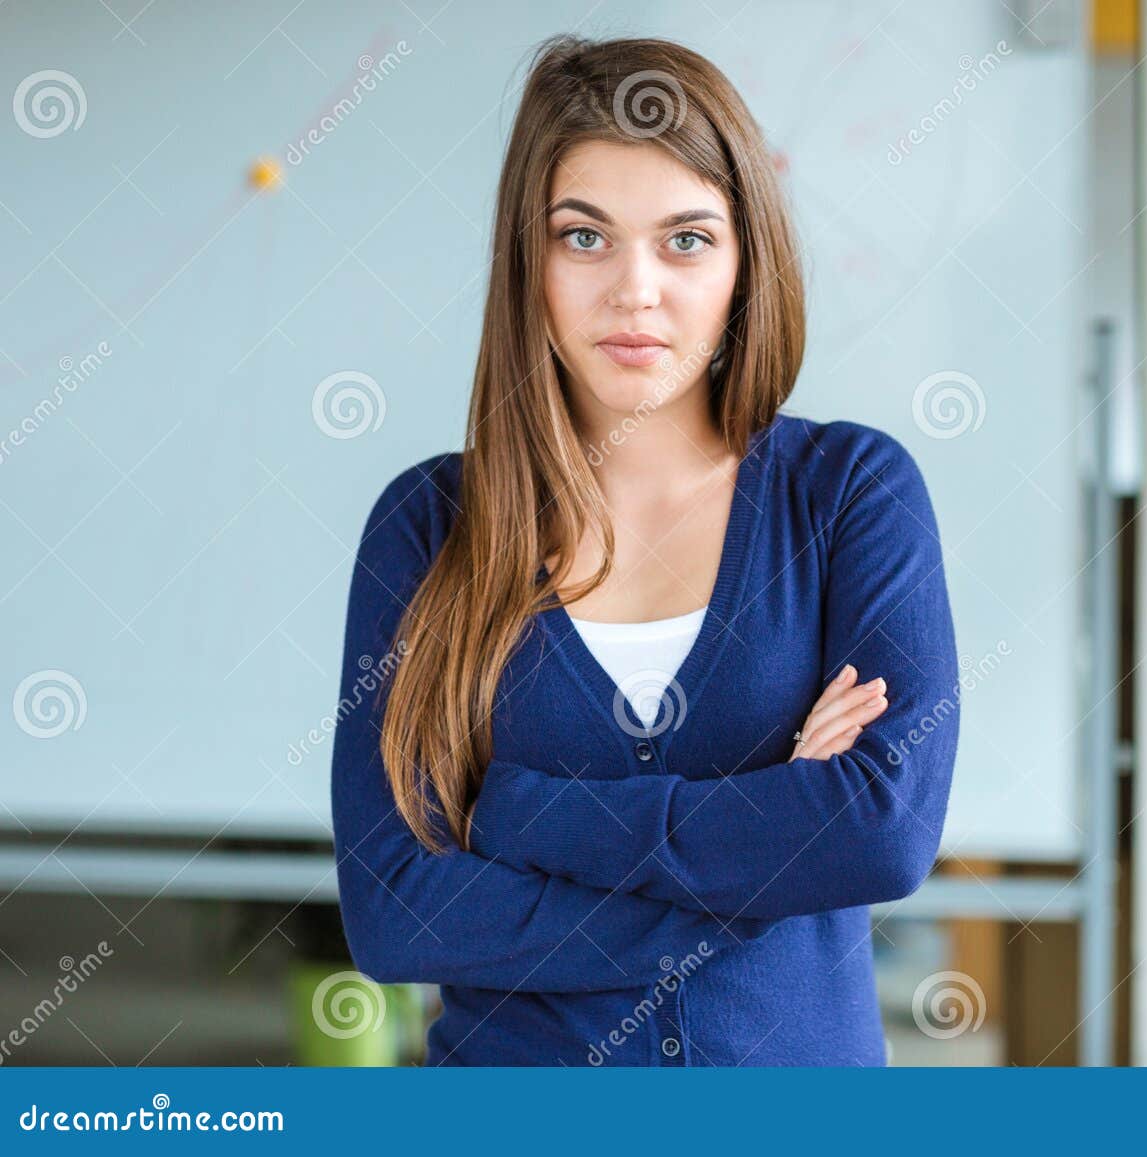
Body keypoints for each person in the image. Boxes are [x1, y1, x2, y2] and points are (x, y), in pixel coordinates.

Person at [329, 32, 960, 1066]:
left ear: (745, 259)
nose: (635, 290)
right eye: (584, 238)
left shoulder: (849, 492)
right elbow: (400, 911)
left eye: (685, 239)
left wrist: (525, 813)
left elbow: (880, 834)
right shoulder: (428, 524)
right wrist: (762, 861)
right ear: (525, 260)